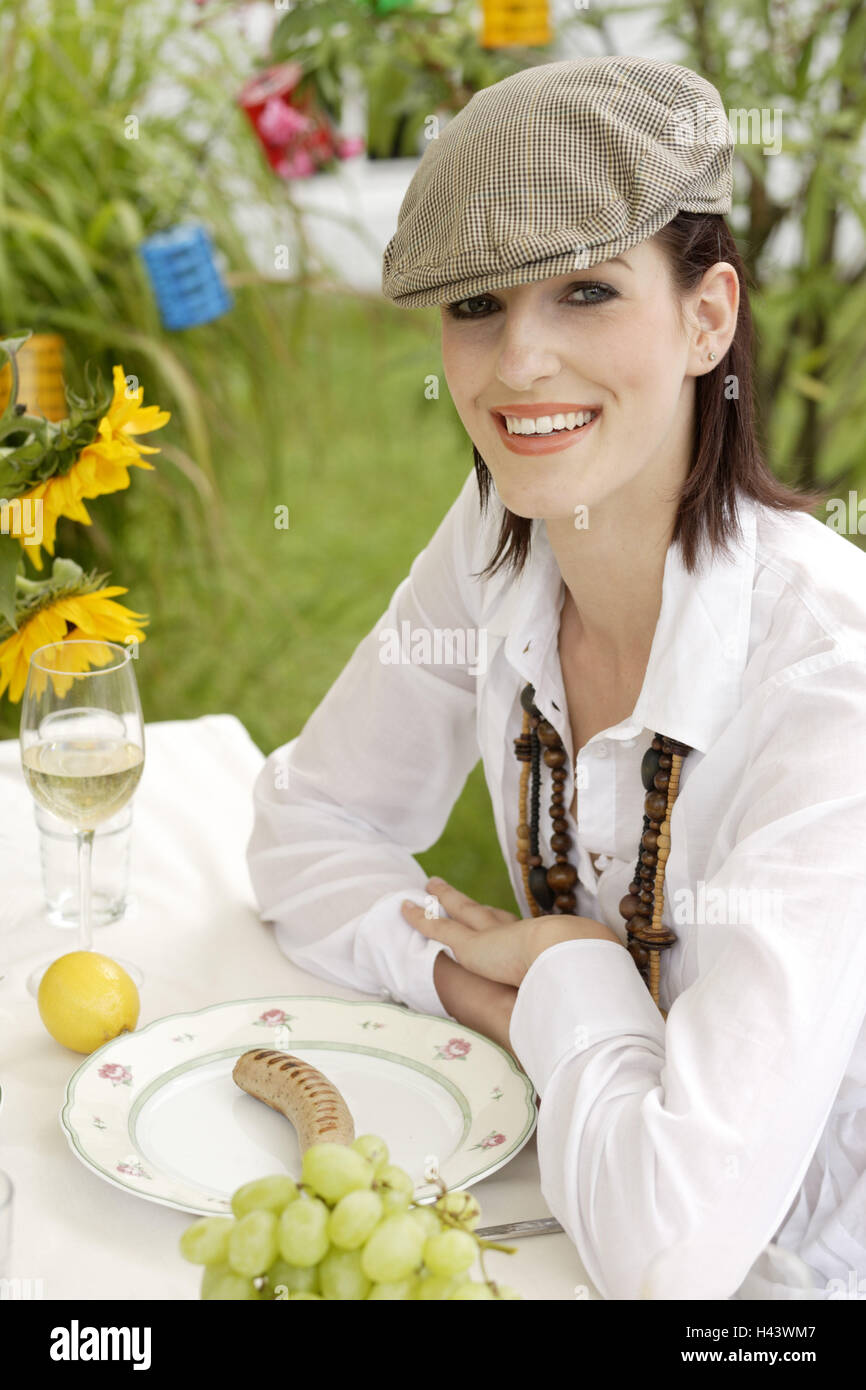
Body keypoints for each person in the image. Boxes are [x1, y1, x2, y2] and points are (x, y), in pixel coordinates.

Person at [247, 55, 866, 1302]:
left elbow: (673, 1251)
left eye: (586, 289)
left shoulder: (829, 684)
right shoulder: (497, 542)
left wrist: (568, 969)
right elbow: (305, 829)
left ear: (707, 318)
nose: (517, 361)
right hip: (566, 1188)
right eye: (476, 303)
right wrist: (474, 983)